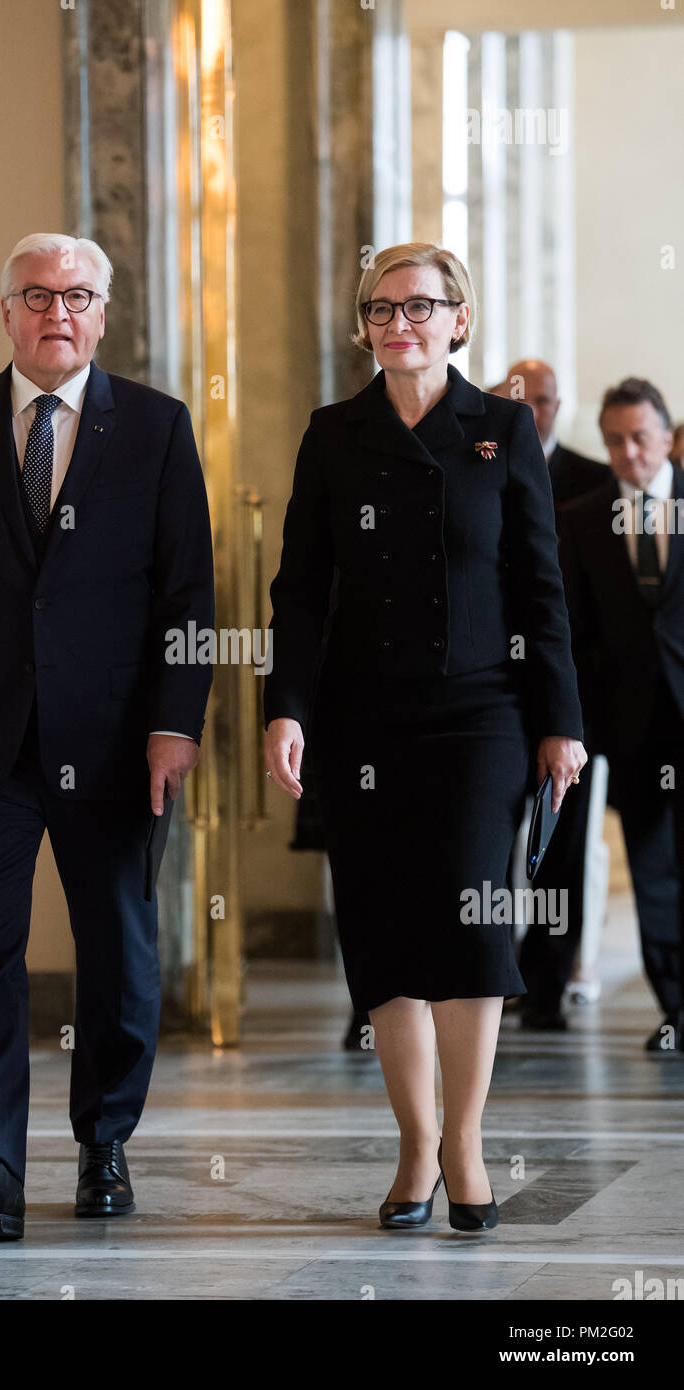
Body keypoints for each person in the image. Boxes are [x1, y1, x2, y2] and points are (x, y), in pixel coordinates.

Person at [0, 233, 214, 1239]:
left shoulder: (154, 426)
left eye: (78, 296)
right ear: (6, 312)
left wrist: (174, 724)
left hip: (114, 746)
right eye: (35, 295)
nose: (57, 311)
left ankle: (105, 1143)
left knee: (118, 951)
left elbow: (189, 592)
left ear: (104, 314)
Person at [263, 242, 586, 1231]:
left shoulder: (501, 429)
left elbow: (540, 583)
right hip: (364, 715)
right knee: (385, 925)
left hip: (483, 710)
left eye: (420, 306)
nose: (399, 323)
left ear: (459, 320)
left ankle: (465, 1142)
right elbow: (301, 591)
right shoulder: (334, 435)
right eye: (381, 309)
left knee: (475, 924)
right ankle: (413, 1146)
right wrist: (288, 707)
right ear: (363, 325)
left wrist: (561, 722)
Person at [558, 377, 684, 1053]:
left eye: (640, 437)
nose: (629, 452)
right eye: (615, 440)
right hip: (634, 726)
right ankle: (677, 1008)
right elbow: (573, 635)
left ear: (666, 437)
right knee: (655, 870)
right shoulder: (581, 518)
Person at [490, 361, 611, 1031]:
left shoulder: (593, 482)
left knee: (559, 847)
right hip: (491, 688)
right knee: (487, 843)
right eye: (518, 398)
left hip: (569, 689)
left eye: (542, 400)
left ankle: (545, 986)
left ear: (560, 405)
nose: (532, 411)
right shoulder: (473, 459)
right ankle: (491, 972)